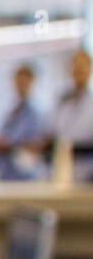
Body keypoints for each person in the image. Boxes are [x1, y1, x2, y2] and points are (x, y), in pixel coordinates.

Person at [46, 49, 93, 181]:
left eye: (82, 67)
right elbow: (52, 134)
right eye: (75, 67)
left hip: (88, 174)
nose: (78, 71)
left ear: (89, 70)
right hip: (61, 172)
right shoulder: (62, 102)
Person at [0, 64, 45, 180]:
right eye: (18, 80)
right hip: (5, 173)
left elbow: (31, 143)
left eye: (24, 81)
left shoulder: (36, 112)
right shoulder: (9, 110)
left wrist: (7, 144)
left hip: (25, 174)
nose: (21, 84)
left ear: (31, 82)